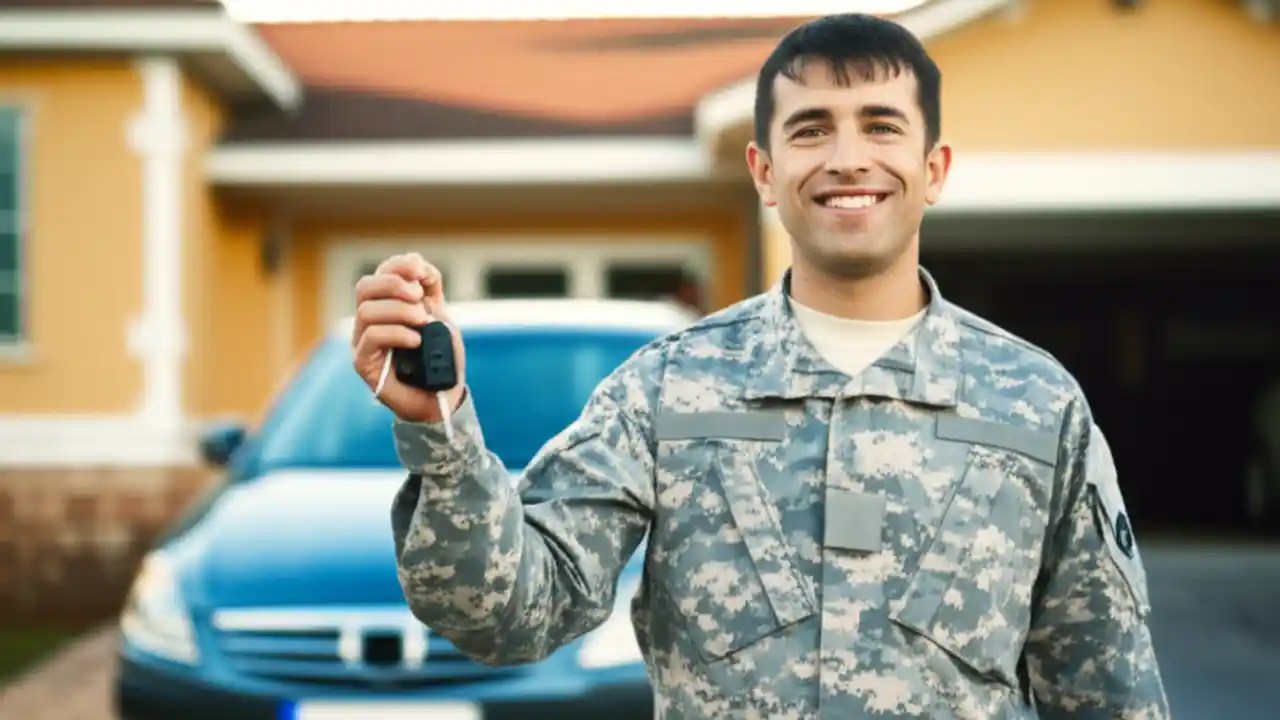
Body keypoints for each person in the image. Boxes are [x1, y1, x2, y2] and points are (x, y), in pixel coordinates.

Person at [350, 13, 1168, 719]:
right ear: (765, 173)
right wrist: (444, 433)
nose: (848, 158)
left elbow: (1109, 693)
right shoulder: (668, 392)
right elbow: (507, 614)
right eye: (811, 128)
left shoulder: (1036, 406)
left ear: (934, 170)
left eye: (881, 126)